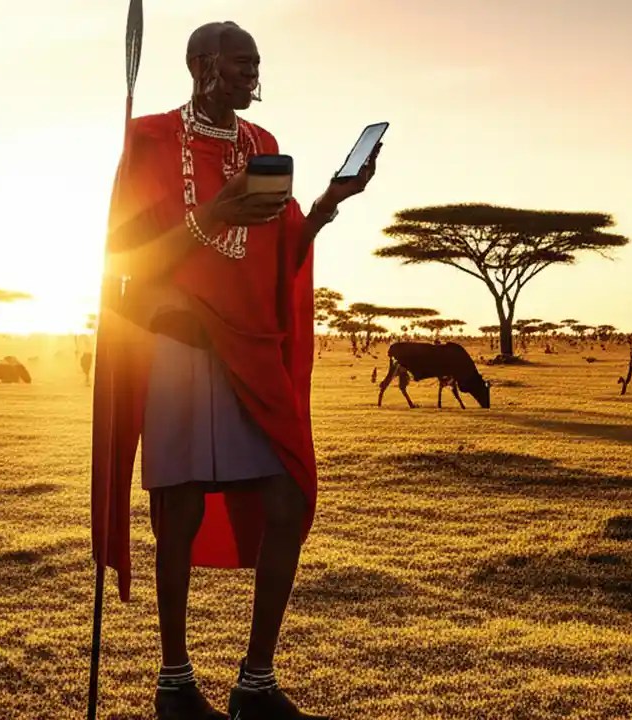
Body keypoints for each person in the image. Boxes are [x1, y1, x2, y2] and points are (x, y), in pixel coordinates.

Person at [92, 20, 381, 720]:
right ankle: (175, 683)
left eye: (256, 63)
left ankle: (256, 682)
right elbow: (126, 264)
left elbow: (277, 257)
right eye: (239, 63)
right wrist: (212, 214)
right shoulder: (150, 139)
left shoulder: (264, 146)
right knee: (180, 510)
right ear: (201, 66)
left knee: (289, 499)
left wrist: (325, 208)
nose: (252, 75)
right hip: (180, 343)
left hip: (252, 347)